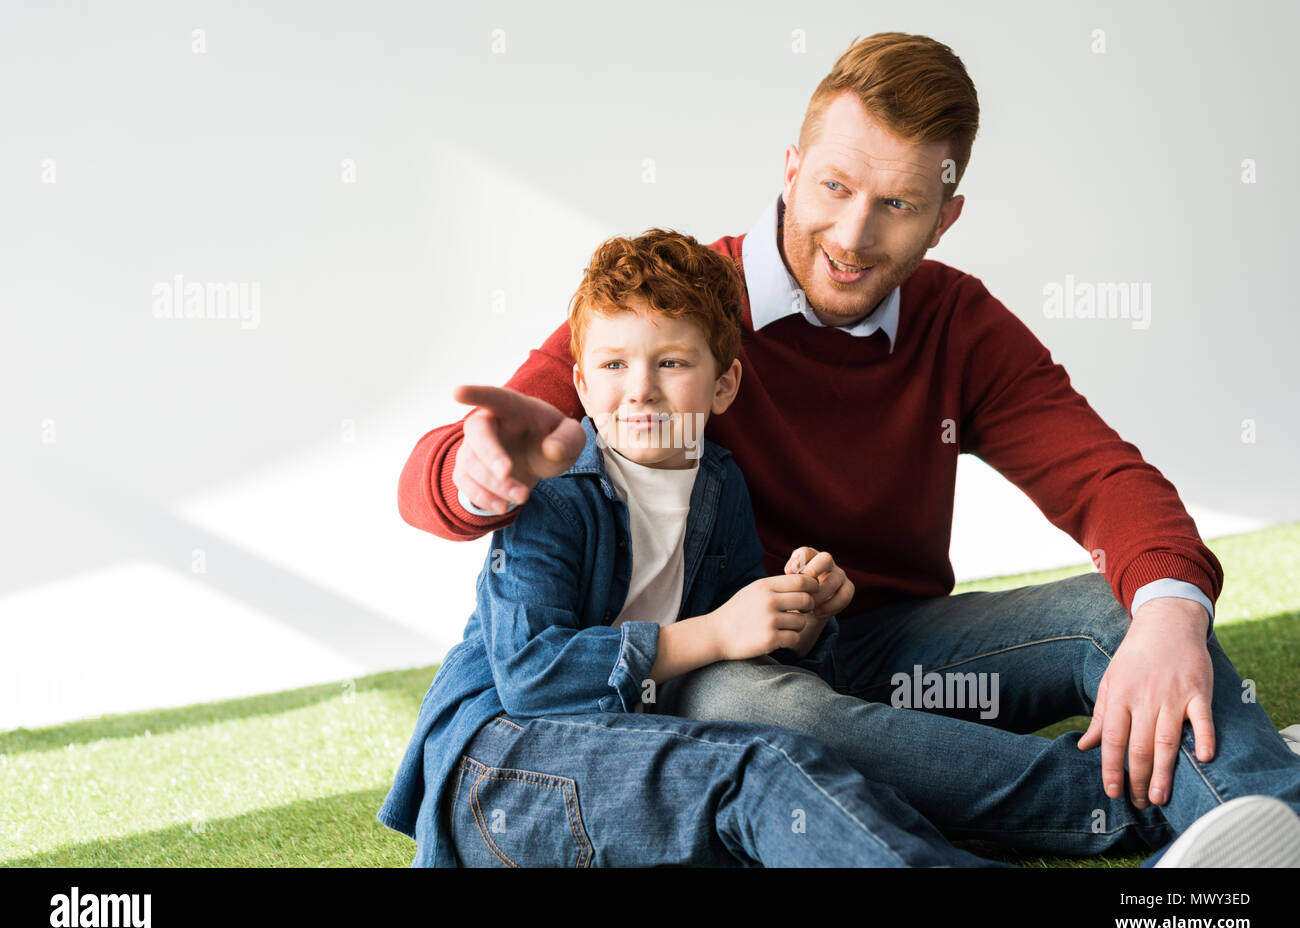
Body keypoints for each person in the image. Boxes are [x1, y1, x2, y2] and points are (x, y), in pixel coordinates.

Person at [393, 31, 1300, 865]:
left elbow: (1102, 476)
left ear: (945, 215)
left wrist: (1173, 611)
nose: (854, 236)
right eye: (834, 187)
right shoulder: (679, 314)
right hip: (728, 671)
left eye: (898, 203)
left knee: (1131, 610)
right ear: (790, 170)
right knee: (751, 706)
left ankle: (1270, 816)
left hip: (887, 651)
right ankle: (1135, 807)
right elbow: (474, 455)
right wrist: (474, 474)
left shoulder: (959, 322)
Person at [377, 229, 1005, 866]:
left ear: (725, 385)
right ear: (582, 386)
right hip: (507, 762)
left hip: (630, 744)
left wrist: (799, 623)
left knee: (785, 773)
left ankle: (1095, 804)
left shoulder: (720, 483)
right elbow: (532, 680)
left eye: (671, 363)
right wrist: (716, 634)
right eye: (614, 364)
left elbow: (743, 654)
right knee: (759, 772)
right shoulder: (552, 498)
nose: (641, 389)